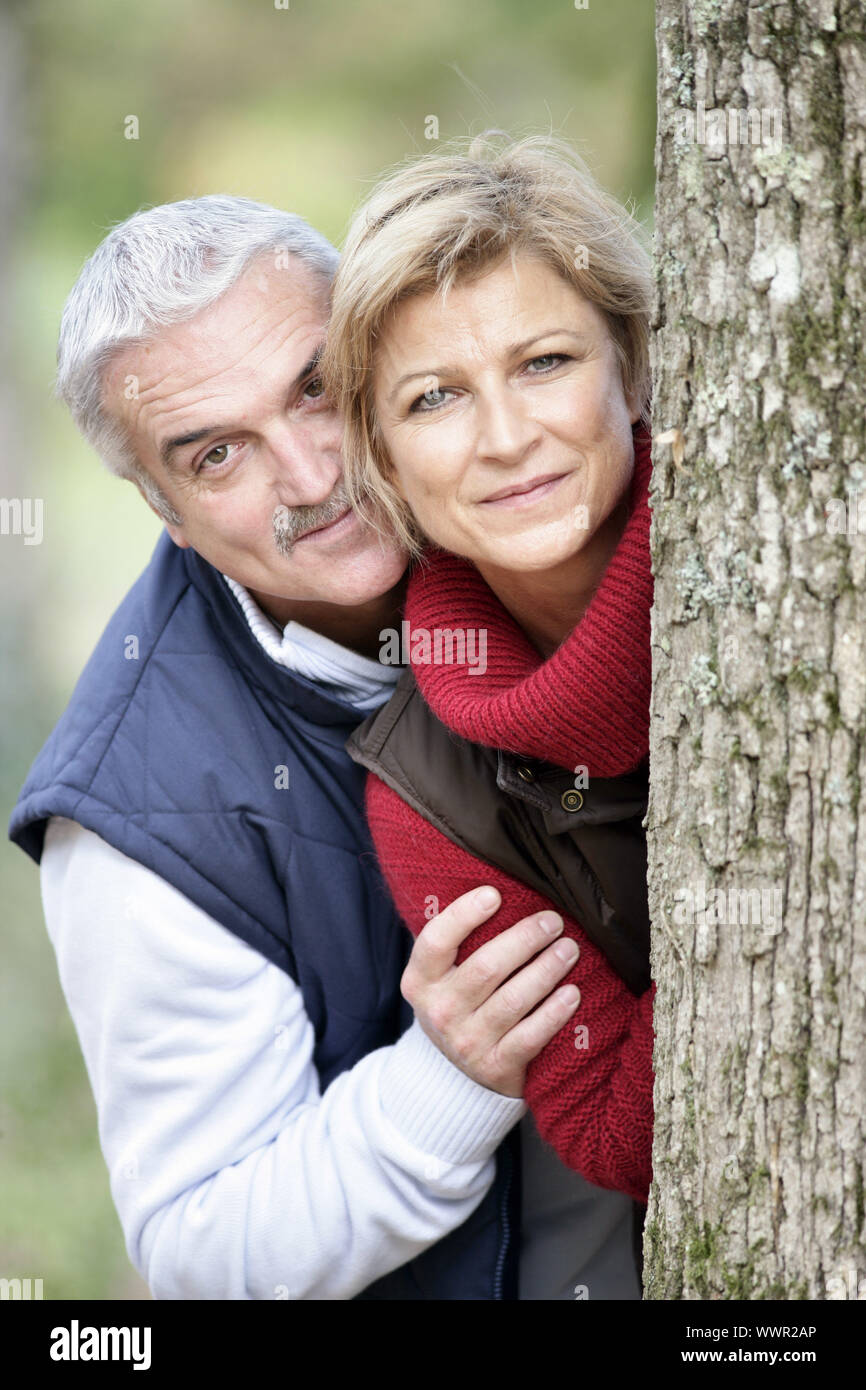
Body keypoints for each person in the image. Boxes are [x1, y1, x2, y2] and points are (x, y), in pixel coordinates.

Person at [8, 196, 592, 1301]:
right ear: (163, 508)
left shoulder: (533, 494)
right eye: (218, 452)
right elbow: (200, 1248)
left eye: (315, 387)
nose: (313, 475)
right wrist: (444, 1079)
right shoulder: (141, 814)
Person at [322, 136, 656, 1240]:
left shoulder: (812, 562)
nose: (508, 439)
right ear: (380, 457)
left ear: (631, 364)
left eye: (545, 363)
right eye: (434, 398)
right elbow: (612, 1125)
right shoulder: (422, 789)